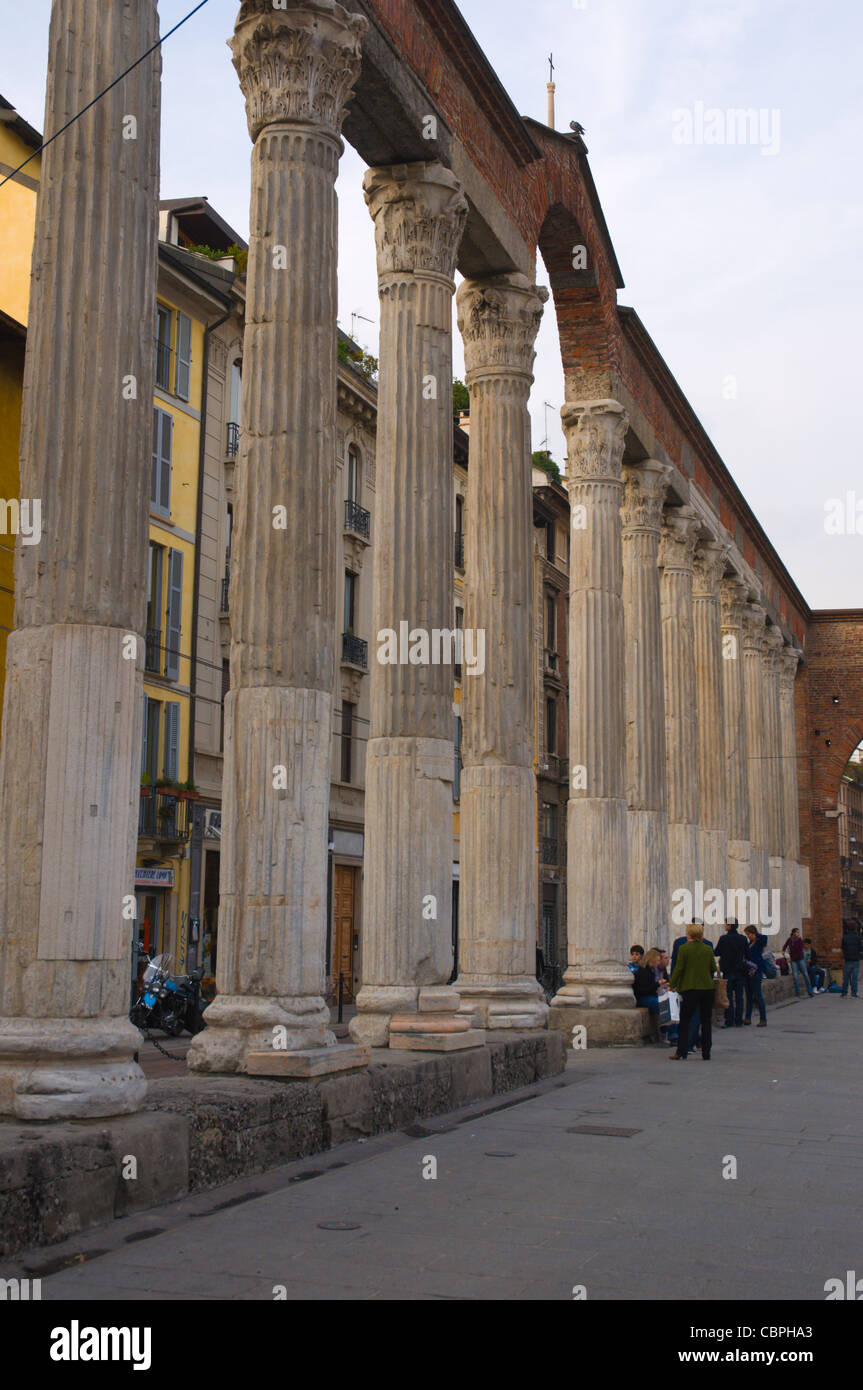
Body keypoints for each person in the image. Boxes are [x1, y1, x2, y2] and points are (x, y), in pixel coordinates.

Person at [669, 923, 717, 1060]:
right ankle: (706, 1052)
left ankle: (681, 1051)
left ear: (689, 934)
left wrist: (672, 984)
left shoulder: (684, 949)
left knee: (685, 1021)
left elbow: (679, 969)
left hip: (690, 989)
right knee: (706, 1022)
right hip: (707, 989)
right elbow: (713, 967)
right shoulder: (707, 949)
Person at [715, 918, 749, 1026]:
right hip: (740, 971)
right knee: (739, 997)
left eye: (726, 924)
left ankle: (729, 1020)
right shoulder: (743, 939)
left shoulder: (724, 938)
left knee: (728, 997)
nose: (724, 926)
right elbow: (748, 954)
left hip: (728, 971)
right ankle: (738, 1020)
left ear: (729, 925)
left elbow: (717, 952)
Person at [743, 926, 768, 1026]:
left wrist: (756, 936)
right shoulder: (749, 944)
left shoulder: (759, 941)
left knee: (758, 995)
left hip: (756, 971)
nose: (748, 937)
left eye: (749, 934)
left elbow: (764, 938)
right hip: (748, 971)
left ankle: (763, 1019)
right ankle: (747, 1017)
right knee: (749, 995)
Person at [782, 927, 813, 998]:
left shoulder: (800, 940)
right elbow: (785, 945)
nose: (798, 934)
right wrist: (783, 950)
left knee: (805, 974)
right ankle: (798, 993)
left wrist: (791, 956)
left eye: (798, 932)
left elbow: (799, 951)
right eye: (797, 932)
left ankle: (810, 991)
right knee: (795, 976)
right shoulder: (790, 939)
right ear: (793, 933)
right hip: (793, 960)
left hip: (800, 959)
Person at [840, 921, 861, 998]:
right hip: (856, 960)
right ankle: (854, 993)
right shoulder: (858, 937)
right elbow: (861, 948)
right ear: (855, 928)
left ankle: (844, 992)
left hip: (847, 960)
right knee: (854, 978)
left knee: (846, 978)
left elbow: (842, 948)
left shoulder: (844, 937)